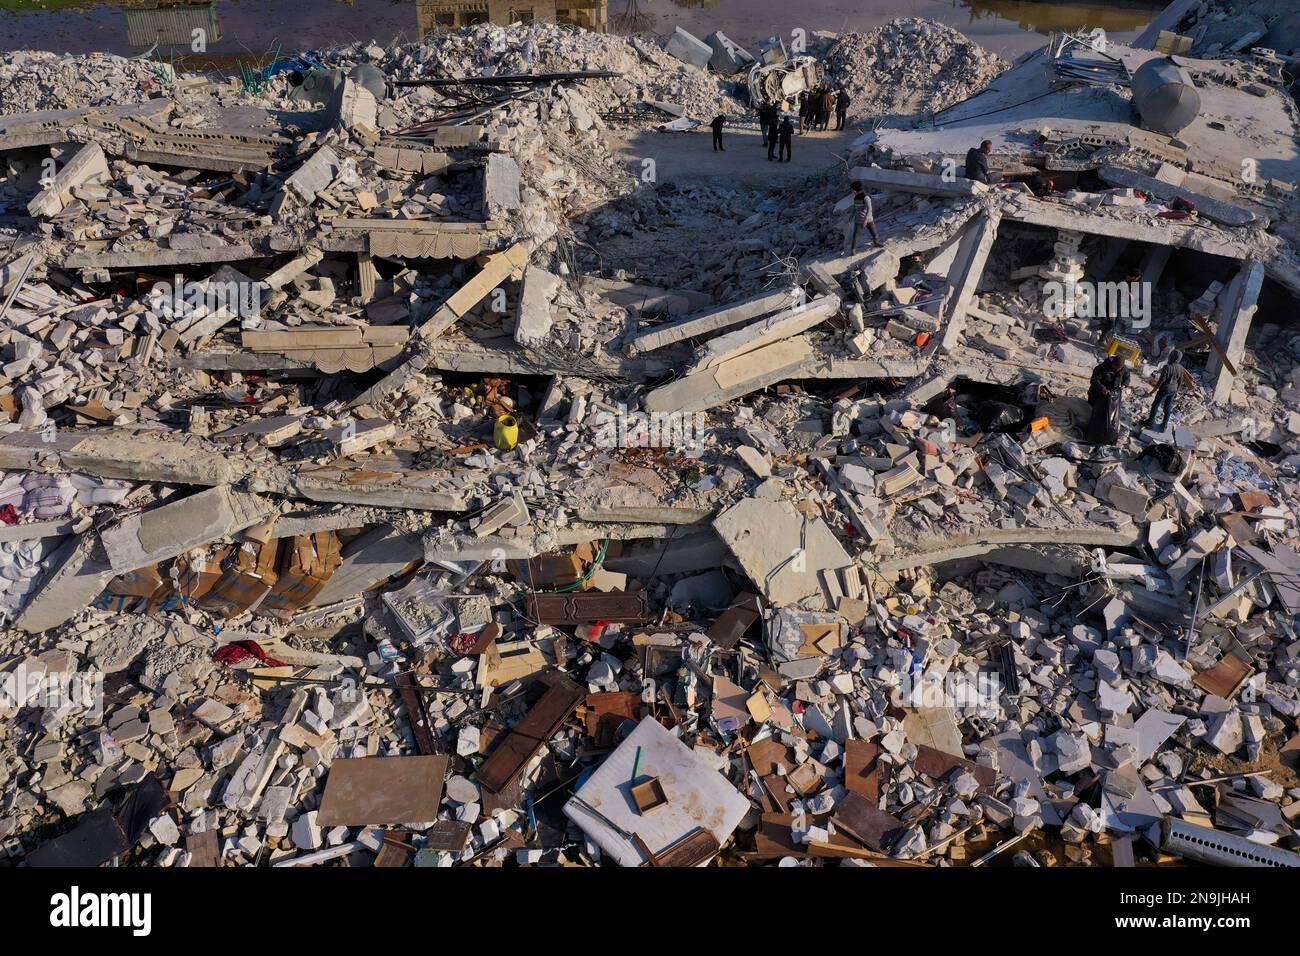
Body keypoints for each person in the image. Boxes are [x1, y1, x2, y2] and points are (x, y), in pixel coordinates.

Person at [1087, 353, 1130, 444]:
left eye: (1119, 369)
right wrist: (1102, 389)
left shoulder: (1123, 369)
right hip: (1097, 394)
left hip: (1111, 396)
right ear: (1112, 364)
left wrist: (1124, 384)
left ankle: (1104, 435)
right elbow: (1094, 380)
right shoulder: (1101, 368)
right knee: (1093, 413)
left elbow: (1127, 377)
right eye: (1116, 368)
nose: (1117, 370)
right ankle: (1091, 434)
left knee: (1108, 416)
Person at [1145, 349, 1185, 432]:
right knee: (1168, 407)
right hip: (1173, 390)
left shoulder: (1167, 367)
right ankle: (1164, 426)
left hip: (1164, 389)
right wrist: (1177, 391)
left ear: (1172, 356)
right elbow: (1180, 381)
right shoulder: (1181, 368)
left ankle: (1150, 422)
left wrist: (1153, 391)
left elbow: (1161, 381)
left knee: (1155, 405)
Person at [843, 181, 880, 254]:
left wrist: (866, 220)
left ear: (854, 190)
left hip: (868, 220)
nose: (852, 191)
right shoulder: (856, 198)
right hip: (858, 220)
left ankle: (876, 243)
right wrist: (851, 216)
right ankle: (853, 250)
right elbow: (855, 208)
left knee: (874, 232)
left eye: (852, 190)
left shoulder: (866, 197)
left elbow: (869, 209)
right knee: (856, 235)